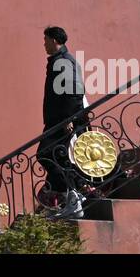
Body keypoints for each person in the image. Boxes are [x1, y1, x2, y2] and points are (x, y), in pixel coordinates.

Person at [39, 26, 86, 220]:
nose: (44, 44)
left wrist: (70, 119)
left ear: (54, 40)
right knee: (56, 156)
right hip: (57, 120)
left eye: (46, 40)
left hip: (62, 120)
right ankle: (72, 195)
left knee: (46, 154)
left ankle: (72, 195)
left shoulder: (64, 62)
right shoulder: (59, 61)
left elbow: (75, 92)